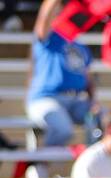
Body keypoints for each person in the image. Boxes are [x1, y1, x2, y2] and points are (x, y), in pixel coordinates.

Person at [26, 0, 97, 148]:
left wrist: (93, 102)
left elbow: (88, 78)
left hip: (75, 101)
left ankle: (97, 166)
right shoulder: (49, 37)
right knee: (63, 129)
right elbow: (43, 18)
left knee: (104, 120)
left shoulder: (81, 45)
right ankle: (41, 166)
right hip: (46, 98)